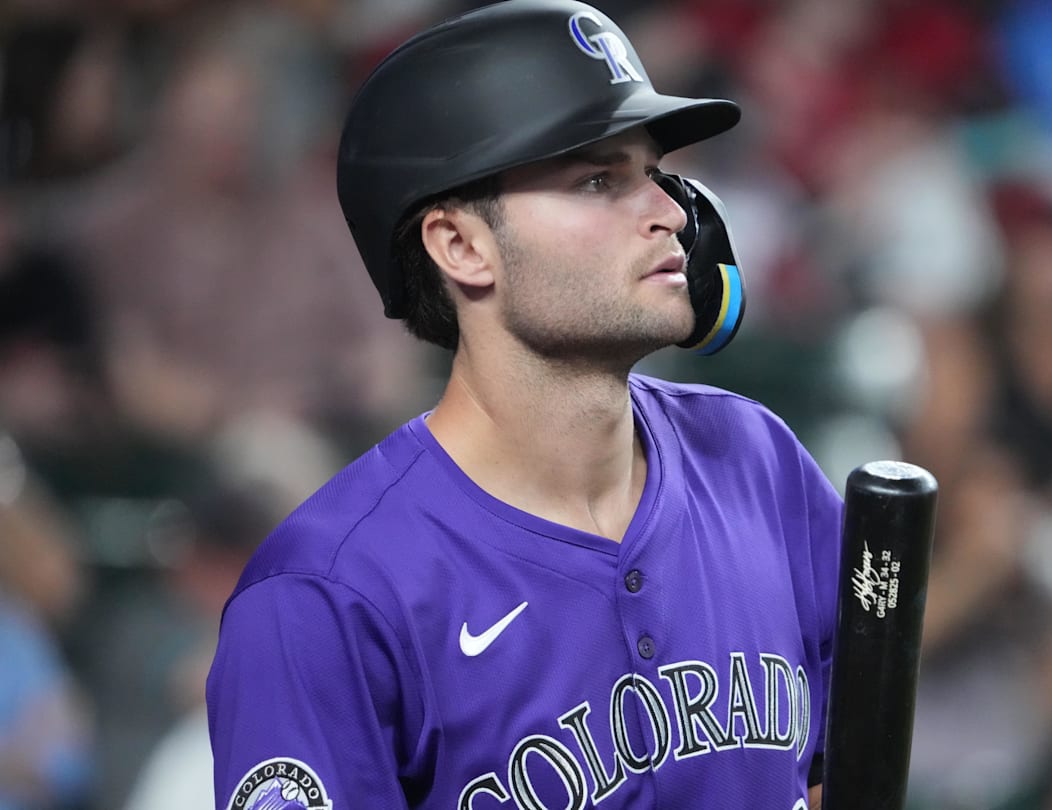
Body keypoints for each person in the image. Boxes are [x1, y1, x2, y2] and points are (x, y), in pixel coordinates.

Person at [205, 2, 843, 809]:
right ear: (461, 246)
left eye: (653, 172)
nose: (674, 213)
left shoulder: (759, 461)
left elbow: (834, 778)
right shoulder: (326, 598)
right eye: (598, 180)